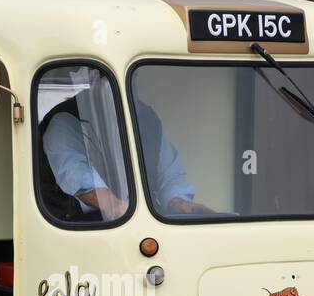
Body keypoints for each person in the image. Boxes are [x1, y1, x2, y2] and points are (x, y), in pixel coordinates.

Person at [40, 85, 213, 221]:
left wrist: (178, 203)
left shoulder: (145, 118)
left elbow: (170, 173)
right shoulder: (65, 119)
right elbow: (76, 176)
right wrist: (116, 206)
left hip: (140, 222)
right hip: (78, 227)